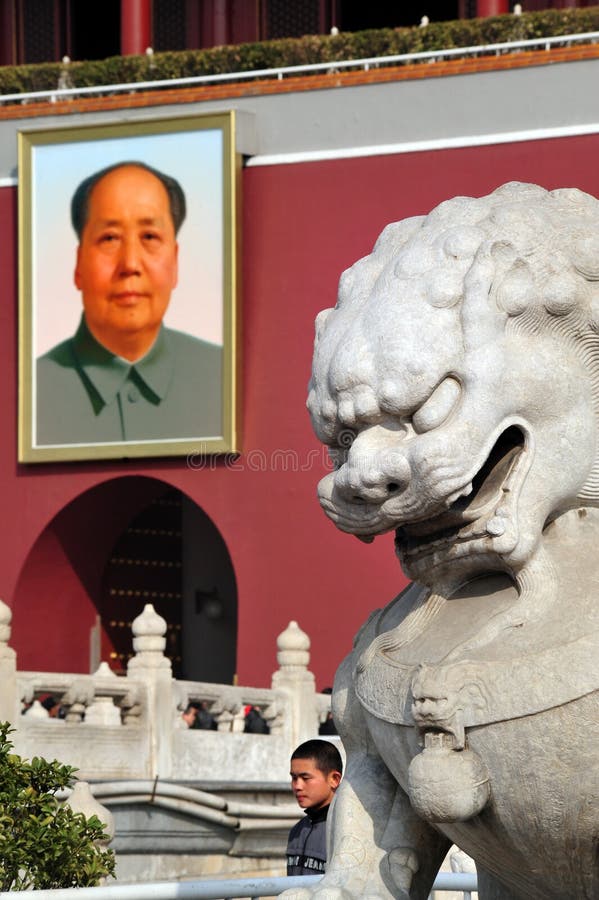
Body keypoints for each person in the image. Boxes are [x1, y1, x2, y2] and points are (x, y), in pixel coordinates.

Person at [36, 161, 222, 446]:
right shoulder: (34, 390)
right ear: (78, 265)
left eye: (149, 237)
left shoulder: (220, 376)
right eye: (109, 238)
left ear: (175, 262)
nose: (130, 264)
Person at [286, 739, 343, 877]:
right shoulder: (297, 831)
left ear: (334, 779)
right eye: (294, 778)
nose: (297, 786)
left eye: (305, 778)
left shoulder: (344, 831)